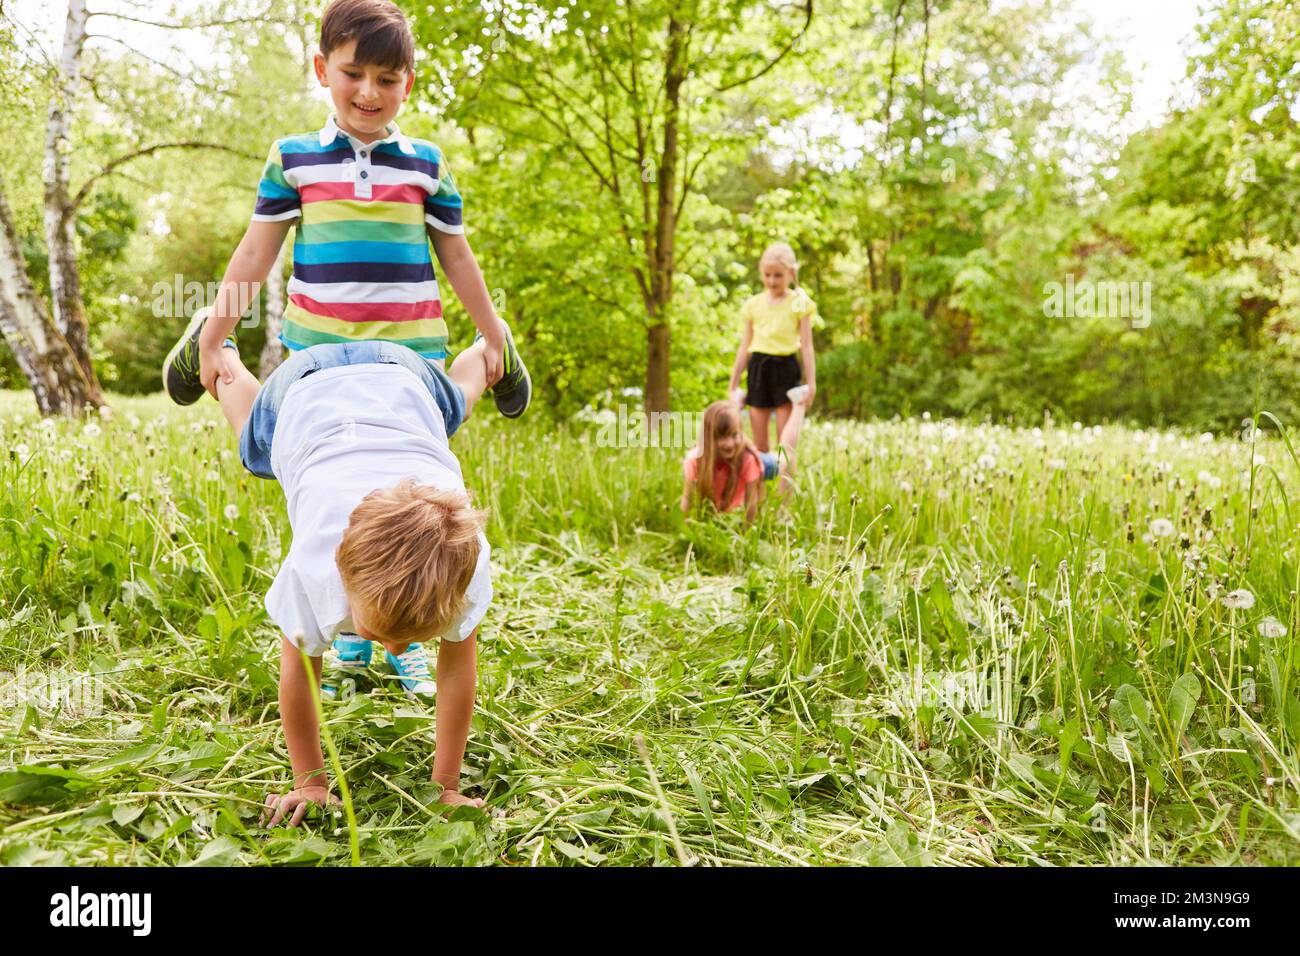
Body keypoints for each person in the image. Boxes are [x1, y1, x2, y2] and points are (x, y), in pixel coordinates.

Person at [164, 0, 530, 692]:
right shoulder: (293, 159)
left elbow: (458, 259)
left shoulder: (426, 166)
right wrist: (218, 332)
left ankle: (391, 636)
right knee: (309, 479)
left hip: (409, 357)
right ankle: (213, 356)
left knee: (410, 503)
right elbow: (256, 254)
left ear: (409, 83)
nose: (368, 92)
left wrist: (485, 326)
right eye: (353, 73)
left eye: (387, 79)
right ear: (321, 70)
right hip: (316, 358)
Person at [162, 306, 527, 823]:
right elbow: (298, 672)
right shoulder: (312, 562)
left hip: (403, 376)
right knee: (253, 442)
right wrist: (309, 782)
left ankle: (491, 351)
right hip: (308, 388)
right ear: (339, 566)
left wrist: (447, 785)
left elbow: (457, 671)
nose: (395, 650)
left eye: (409, 638)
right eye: (378, 632)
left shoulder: (466, 567)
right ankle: (217, 352)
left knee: (452, 410)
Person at [727, 242, 819, 453]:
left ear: (790, 273)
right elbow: (744, 347)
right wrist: (733, 384)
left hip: (785, 368)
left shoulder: (799, 303)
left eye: (778, 275)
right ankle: (758, 486)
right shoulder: (754, 304)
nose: (772, 280)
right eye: (767, 275)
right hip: (759, 369)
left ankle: (784, 484)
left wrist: (811, 383)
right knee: (760, 446)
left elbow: (806, 346)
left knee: (784, 445)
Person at [681, 392, 808, 526]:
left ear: (741, 433)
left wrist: (745, 535)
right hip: (728, 461)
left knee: (786, 456)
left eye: (734, 435)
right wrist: (685, 531)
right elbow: (687, 501)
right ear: (708, 438)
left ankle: (798, 404)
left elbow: (751, 505)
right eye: (721, 437)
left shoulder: (748, 461)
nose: (729, 444)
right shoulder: (696, 460)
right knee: (729, 420)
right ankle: (738, 401)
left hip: (756, 461)